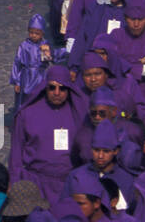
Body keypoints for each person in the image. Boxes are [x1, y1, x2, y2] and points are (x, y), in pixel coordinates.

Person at [9, 63, 87, 206]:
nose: (56, 92)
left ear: (69, 89)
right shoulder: (27, 114)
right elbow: (16, 154)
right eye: (52, 87)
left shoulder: (78, 113)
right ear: (45, 87)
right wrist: (14, 184)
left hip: (68, 186)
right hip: (36, 184)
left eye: (62, 88)